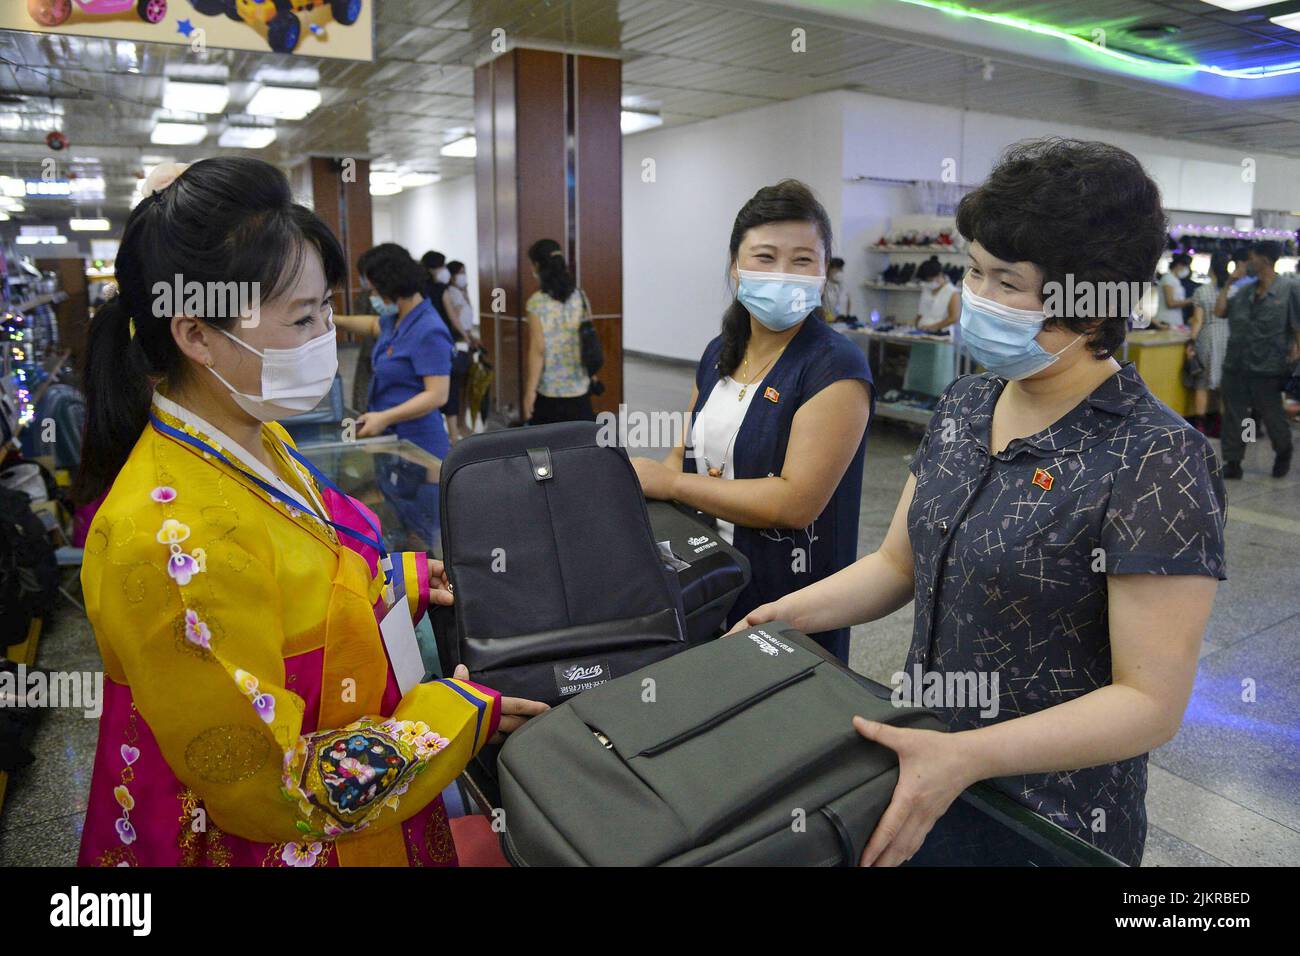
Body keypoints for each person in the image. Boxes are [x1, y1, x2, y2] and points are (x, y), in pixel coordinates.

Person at [731, 140, 1226, 867]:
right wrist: (784, 616)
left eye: (1007, 282)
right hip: (924, 767)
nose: (976, 298)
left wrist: (968, 757)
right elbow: (897, 563)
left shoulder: (1156, 458)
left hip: (1050, 822)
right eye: (974, 270)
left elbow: (1149, 703)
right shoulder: (967, 403)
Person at [72, 157, 544, 867]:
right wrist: (454, 717)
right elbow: (277, 786)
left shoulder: (257, 435)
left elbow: (298, 575)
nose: (327, 334)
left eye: (326, 308)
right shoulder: (167, 543)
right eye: (303, 317)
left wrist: (402, 582)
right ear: (196, 334)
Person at [631, 179, 874, 662]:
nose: (784, 273)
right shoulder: (719, 352)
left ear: (825, 271)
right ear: (735, 267)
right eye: (765, 257)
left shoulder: (833, 366)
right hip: (706, 576)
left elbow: (794, 502)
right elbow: (684, 453)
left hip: (784, 590)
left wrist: (670, 486)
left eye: (803, 260)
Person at [335, 244, 453, 459]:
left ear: (391, 286)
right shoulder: (396, 320)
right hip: (392, 436)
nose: (372, 296)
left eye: (374, 290)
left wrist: (385, 417)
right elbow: (372, 325)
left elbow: (437, 395)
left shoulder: (429, 330)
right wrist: (333, 320)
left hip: (419, 441)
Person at [1216, 239, 1300, 479]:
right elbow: (1220, 311)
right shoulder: (1243, 290)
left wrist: (1295, 358)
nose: (1248, 262)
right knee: (1237, 417)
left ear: (1263, 259)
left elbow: (1297, 328)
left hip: (1269, 368)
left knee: (1273, 417)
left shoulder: (1289, 289)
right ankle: (1234, 461)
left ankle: (1283, 450)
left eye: (1251, 257)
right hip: (1237, 365)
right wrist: (1229, 282)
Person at [523, 238, 595, 424]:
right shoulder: (580, 296)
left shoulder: (536, 303)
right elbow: (588, 339)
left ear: (537, 265)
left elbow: (538, 349)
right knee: (578, 446)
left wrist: (530, 391)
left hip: (550, 392)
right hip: (579, 389)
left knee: (549, 447)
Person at [1186, 251, 1231, 434]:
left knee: (1202, 384)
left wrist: (1191, 342)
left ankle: (1200, 425)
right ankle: (1221, 425)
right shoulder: (1232, 291)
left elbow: (1197, 321)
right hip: (1227, 336)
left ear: (1211, 269)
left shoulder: (1202, 291)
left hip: (1207, 337)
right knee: (1224, 384)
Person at [441, 260, 477, 443]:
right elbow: (455, 319)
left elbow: (468, 317)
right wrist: (466, 336)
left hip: (466, 342)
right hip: (458, 344)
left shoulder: (461, 293)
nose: (463, 276)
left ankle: (462, 423)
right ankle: (454, 431)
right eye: (460, 272)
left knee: (464, 388)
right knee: (455, 388)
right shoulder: (449, 294)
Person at [1155, 253, 1192, 329]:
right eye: (1186, 267)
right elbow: (1170, 303)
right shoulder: (1168, 278)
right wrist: (1190, 300)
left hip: (1175, 322)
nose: (1187, 270)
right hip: (1166, 322)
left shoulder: (1176, 280)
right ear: (1179, 265)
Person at [824, 256, 853, 321]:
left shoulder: (844, 286)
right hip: (827, 322)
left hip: (841, 322)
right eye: (837, 269)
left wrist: (846, 317)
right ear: (829, 270)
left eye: (841, 269)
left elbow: (848, 303)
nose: (840, 272)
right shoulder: (823, 287)